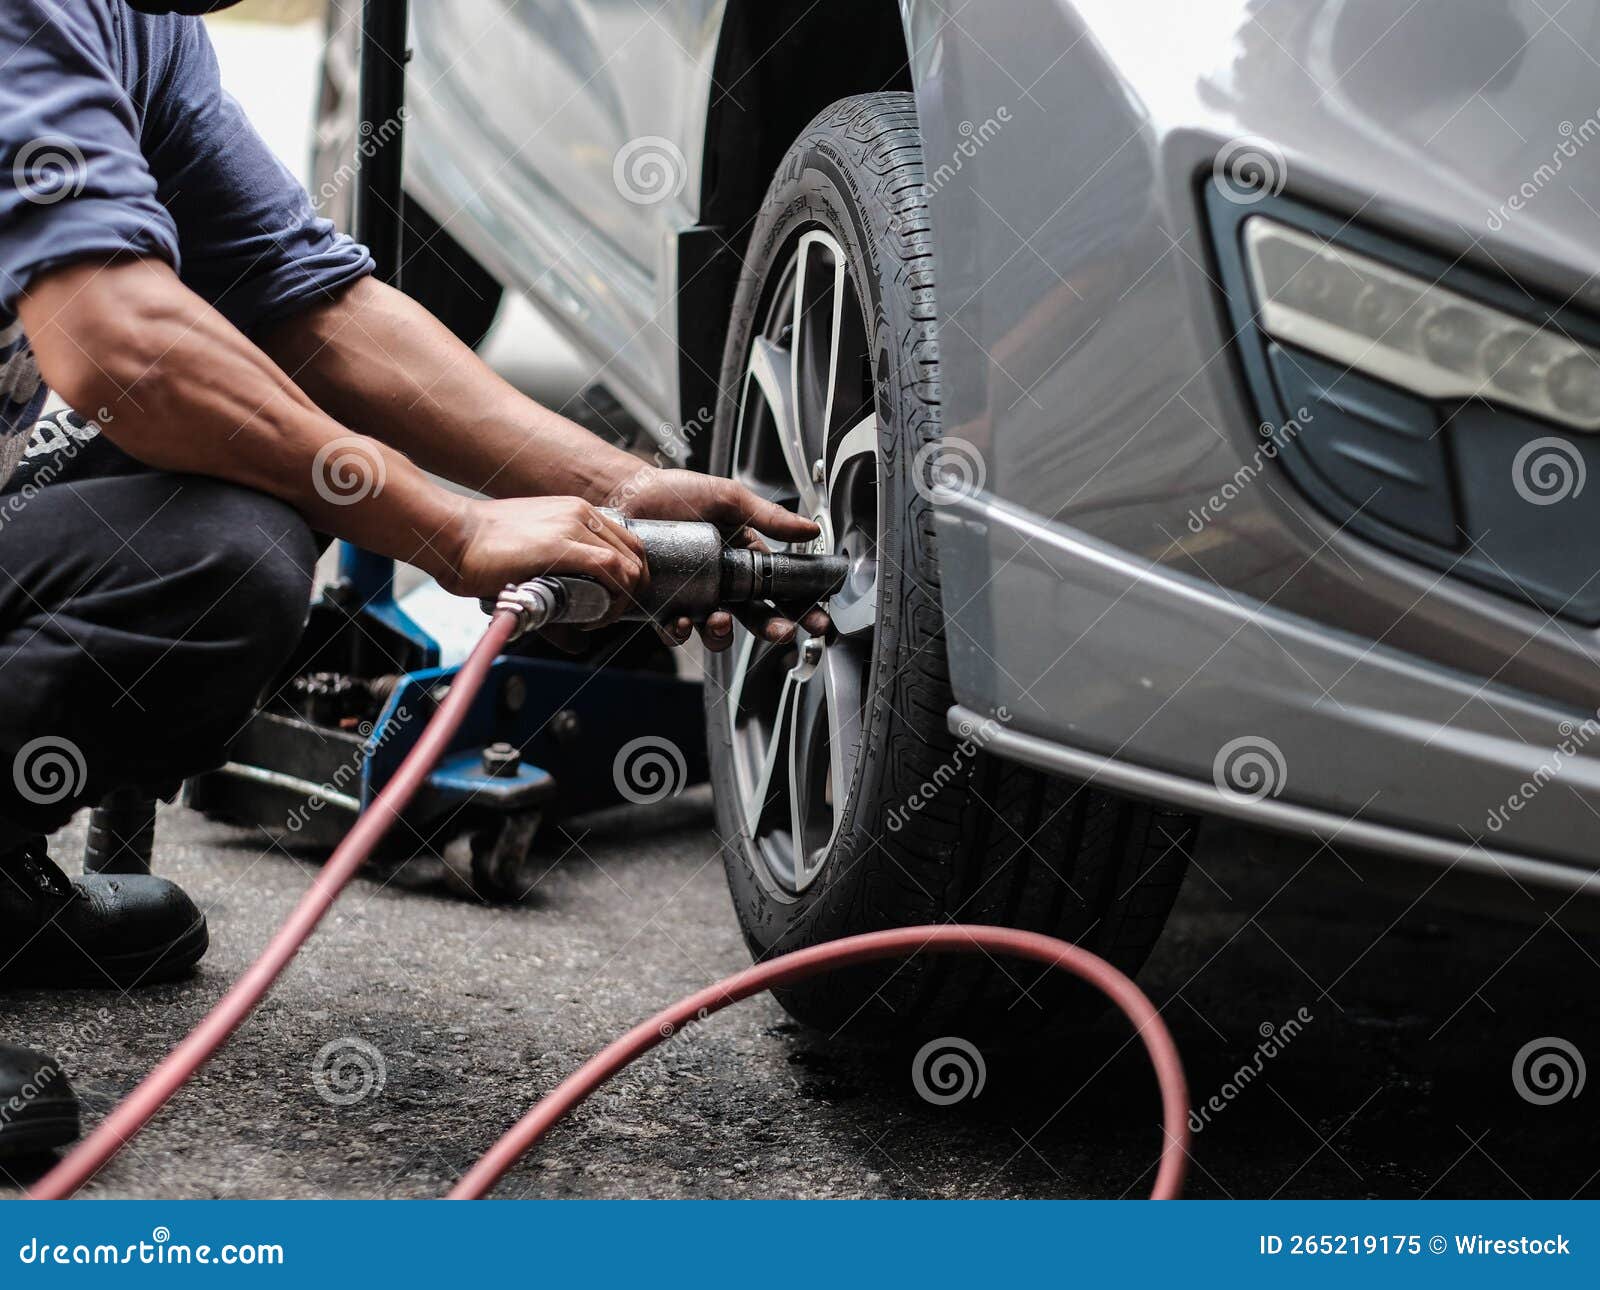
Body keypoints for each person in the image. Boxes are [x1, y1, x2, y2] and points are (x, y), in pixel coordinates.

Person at [0, 0, 821, 1156]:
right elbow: (118, 343)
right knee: (206, 539)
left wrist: (615, 487)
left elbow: (301, 305)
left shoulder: (132, 25)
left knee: (235, 524)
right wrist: (454, 530)